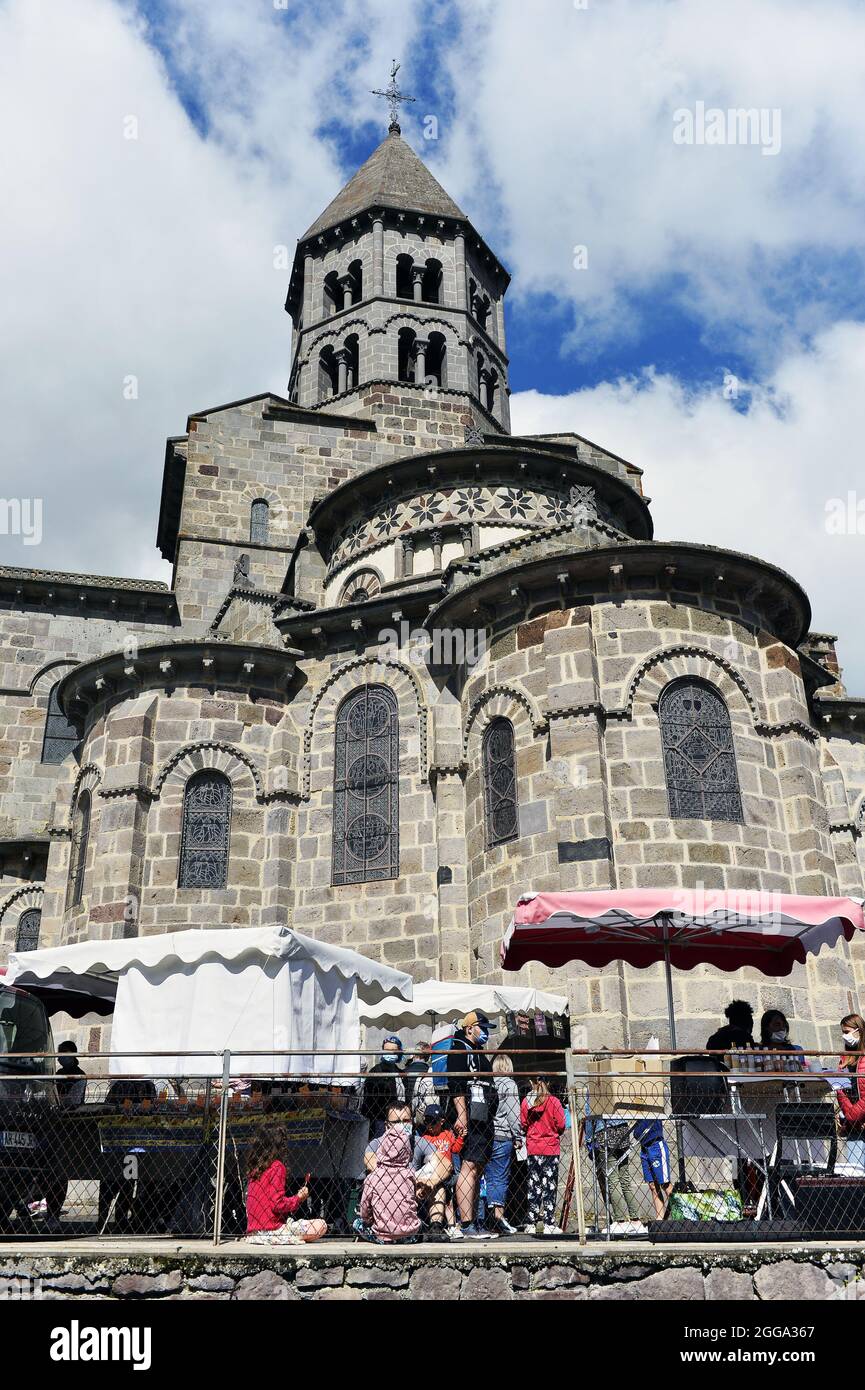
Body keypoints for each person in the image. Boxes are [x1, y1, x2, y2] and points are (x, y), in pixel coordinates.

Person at [445, 1010, 499, 1240]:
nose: (485, 1032)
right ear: (470, 1028)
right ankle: (467, 1224)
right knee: (468, 1167)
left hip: (483, 1118)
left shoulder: (477, 1051)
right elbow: (455, 1083)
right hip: (472, 1118)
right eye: (482, 1027)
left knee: (476, 1169)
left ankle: (475, 1221)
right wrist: (462, 1115)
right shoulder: (459, 1048)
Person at [245, 1129, 327, 1245]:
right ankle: (290, 1237)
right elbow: (277, 1204)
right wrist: (298, 1198)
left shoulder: (255, 1170)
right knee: (321, 1225)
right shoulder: (277, 1166)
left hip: (253, 1234)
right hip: (274, 1230)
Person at [581, 1105, 644, 1237]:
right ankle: (636, 1221)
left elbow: (589, 1113)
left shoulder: (594, 1085)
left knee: (613, 1179)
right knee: (625, 1179)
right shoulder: (615, 1083)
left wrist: (589, 1139)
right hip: (622, 1128)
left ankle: (620, 1221)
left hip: (604, 1130)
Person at [355, 1126, 420, 1244]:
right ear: (407, 1150)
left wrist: (368, 1220)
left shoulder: (373, 1177)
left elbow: (364, 1207)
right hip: (409, 1235)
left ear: (382, 1148)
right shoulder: (409, 1175)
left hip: (383, 1235)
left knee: (357, 1224)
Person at [520, 1076, 566, 1234]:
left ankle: (531, 1222)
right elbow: (561, 1124)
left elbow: (524, 1124)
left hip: (533, 1148)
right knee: (549, 1186)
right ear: (548, 1083)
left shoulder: (527, 1102)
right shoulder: (553, 1101)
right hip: (550, 1149)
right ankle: (549, 1222)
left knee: (534, 1186)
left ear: (532, 1083)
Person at [411, 1104, 463, 1240]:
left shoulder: (447, 1135)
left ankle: (451, 1225)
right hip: (432, 1173)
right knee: (434, 1196)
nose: (429, 1125)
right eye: (426, 1121)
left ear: (441, 1121)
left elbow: (456, 1149)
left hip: (446, 1172)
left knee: (449, 1201)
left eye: (433, 1122)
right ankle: (434, 1223)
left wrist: (460, 1138)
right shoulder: (425, 1138)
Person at [487, 1052, 521, 1235]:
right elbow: (513, 1115)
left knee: (487, 1177)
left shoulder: (490, 1083)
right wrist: (519, 1136)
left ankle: (486, 1216)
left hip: (486, 1135)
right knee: (500, 1177)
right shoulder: (509, 1084)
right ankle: (498, 1217)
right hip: (503, 1135)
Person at [361, 1036, 406, 1140]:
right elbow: (369, 1101)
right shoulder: (375, 1072)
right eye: (386, 1050)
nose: (390, 1053)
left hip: (400, 1120)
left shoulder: (402, 1073)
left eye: (393, 1050)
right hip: (379, 1122)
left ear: (398, 1052)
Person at [836, 1013, 865, 1169]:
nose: (844, 1036)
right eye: (843, 1032)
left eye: (847, 1032)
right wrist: (851, 1116)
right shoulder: (845, 1059)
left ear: (859, 1030)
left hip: (858, 1118)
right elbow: (840, 1091)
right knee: (856, 1170)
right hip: (853, 1124)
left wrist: (852, 1115)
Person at [633, 1118, 672, 1221]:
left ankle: (682, 1215)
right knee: (652, 1185)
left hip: (656, 1144)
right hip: (644, 1147)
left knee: (665, 1184)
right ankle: (660, 1218)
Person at [364, 1100, 414, 1172]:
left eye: (406, 1121)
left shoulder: (419, 1142)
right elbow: (370, 1162)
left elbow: (435, 1159)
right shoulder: (377, 1143)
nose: (401, 1125)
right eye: (396, 1122)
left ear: (411, 1122)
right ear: (387, 1125)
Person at [755, 1009, 806, 1073]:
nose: (782, 1028)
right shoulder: (758, 1051)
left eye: (784, 1025)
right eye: (777, 1024)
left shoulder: (795, 1050)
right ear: (766, 1028)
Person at [402, 1041, 432, 1107]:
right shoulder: (430, 1071)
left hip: (408, 1106)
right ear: (428, 1056)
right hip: (424, 1107)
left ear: (414, 1054)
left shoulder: (405, 1071)